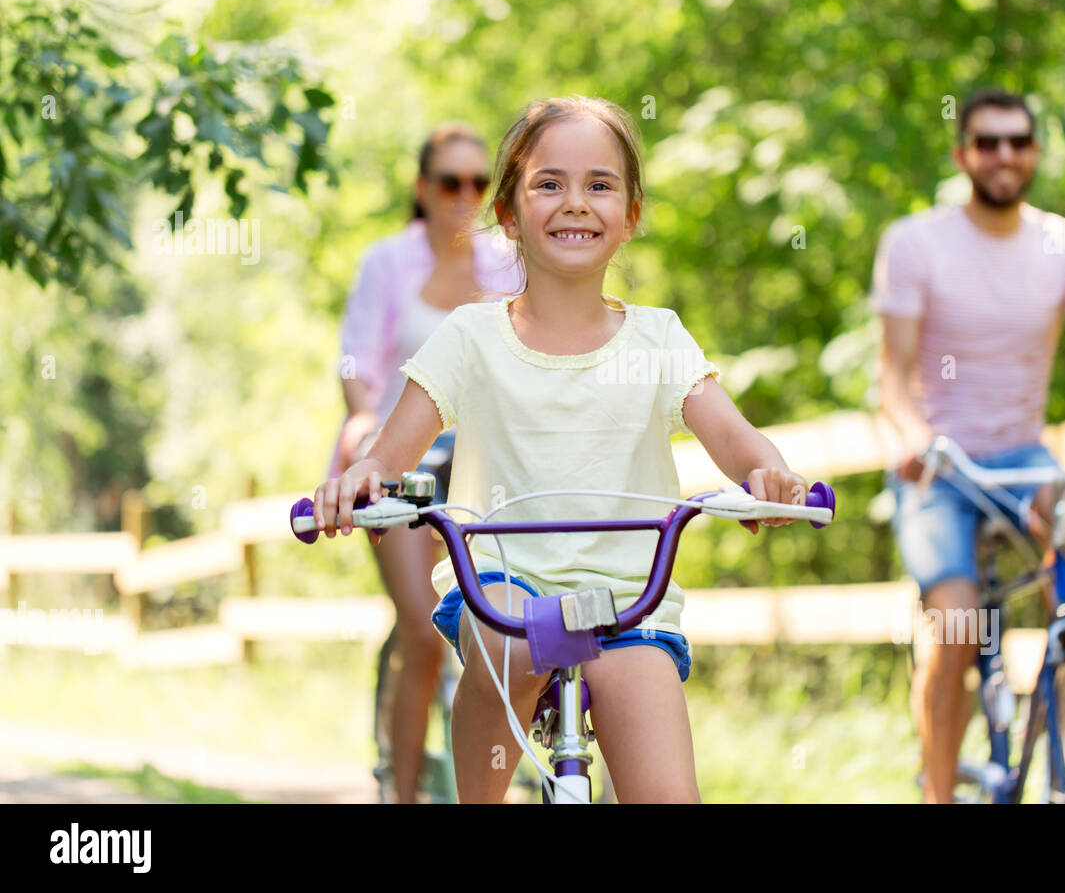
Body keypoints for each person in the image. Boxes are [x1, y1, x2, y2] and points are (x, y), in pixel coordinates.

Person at [314, 95, 807, 803]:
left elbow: (735, 438)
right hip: (505, 594)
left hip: (629, 609)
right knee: (516, 646)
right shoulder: (470, 339)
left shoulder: (659, 339)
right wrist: (356, 482)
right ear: (508, 214)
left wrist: (771, 476)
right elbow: (388, 456)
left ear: (631, 214)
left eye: (600, 185)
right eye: (549, 184)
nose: (575, 203)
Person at [872, 89, 1065, 803]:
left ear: (1033, 151)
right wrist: (912, 438)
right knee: (957, 624)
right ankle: (938, 793)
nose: (1005, 154)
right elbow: (893, 378)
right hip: (942, 467)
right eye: (989, 142)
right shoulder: (915, 242)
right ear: (963, 153)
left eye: (1019, 141)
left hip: (1024, 458)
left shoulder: (1064, 244)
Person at [331, 123, 523, 804]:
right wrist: (362, 423)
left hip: (487, 463)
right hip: (402, 458)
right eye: (450, 182)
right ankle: (402, 793)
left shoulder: (509, 262)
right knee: (420, 627)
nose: (464, 196)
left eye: (478, 182)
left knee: (503, 618)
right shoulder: (387, 262)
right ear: (423, 189)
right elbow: (357, 361)